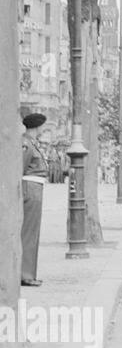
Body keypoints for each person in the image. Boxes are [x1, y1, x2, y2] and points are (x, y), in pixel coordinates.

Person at [20, 113, 49, 286]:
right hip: (30, 188)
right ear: (36, 127)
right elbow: (20, 169)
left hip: (34, 188)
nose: (43, 129)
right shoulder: (26, 144)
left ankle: (28, 272)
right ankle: (25, 274)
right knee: (29, 232)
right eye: (42, 127)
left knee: (32, 231)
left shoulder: (30, 143)